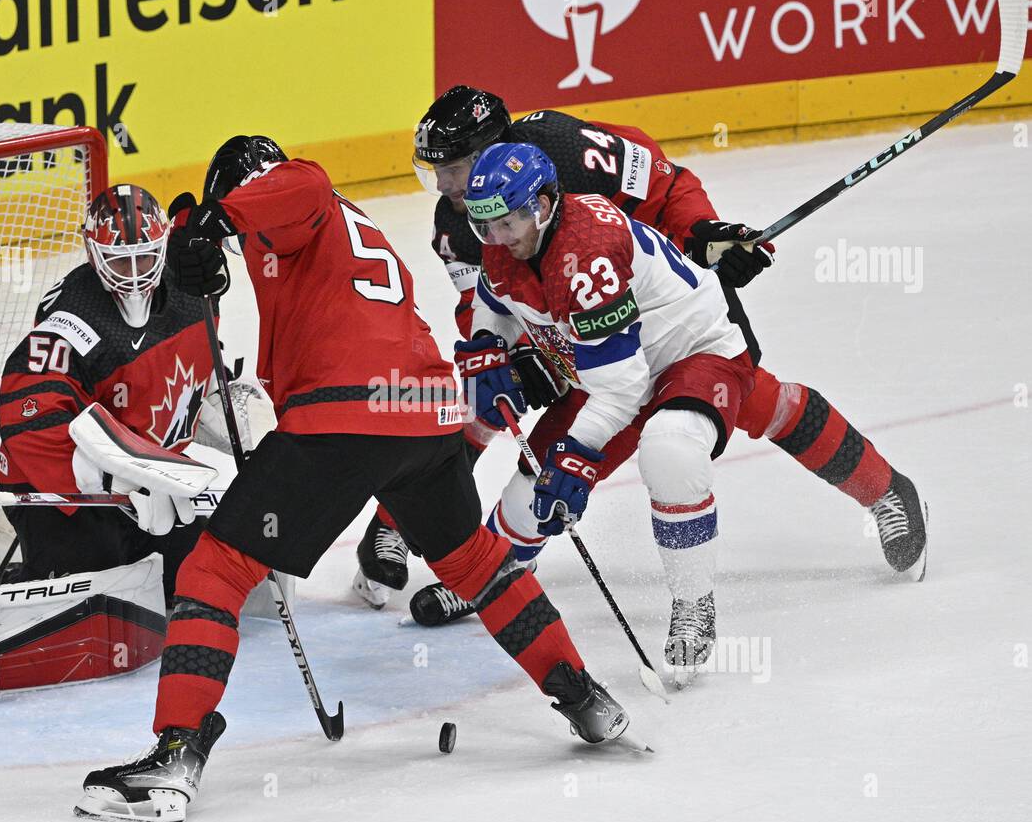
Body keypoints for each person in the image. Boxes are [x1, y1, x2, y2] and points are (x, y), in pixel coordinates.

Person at [73, 137, 630, 822]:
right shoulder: (333, 230)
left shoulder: (298, 191)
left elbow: (299, 185)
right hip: (422, 412)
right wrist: (206, 237)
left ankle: (174, 757)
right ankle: (581, 694)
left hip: (347, 414)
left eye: (237, 206)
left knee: (214, 569)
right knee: (476, 562)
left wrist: (219, 219)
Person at [354, 85, 928, 622]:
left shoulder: (560, 145)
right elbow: (482, 304)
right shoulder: (462, 224)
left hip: (671, 307)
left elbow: (665, 184)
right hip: (583, 329)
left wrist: (704, 232)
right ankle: (435, 542)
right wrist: (509, 352)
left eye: (453, 169)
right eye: (436, 173)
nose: (446, 188)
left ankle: (885, 490)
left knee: (747, 403)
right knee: (493, 406)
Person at [0, 185, 252, 706]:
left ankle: (29, 575)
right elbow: (30, 421)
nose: (136, 269)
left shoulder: (193, 285)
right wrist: (119, 476)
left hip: (152, 487)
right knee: (99, 610)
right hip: (65, 494)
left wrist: (220, 404)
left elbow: (193, 372)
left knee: (188, 584)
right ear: (92, 252)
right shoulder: (72, 318)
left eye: (146, 255)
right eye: (121, 258)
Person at [460, 141, 752, 672]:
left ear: (543, 206)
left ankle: (693, 602)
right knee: (530, 493)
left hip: (691, 354)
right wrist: (487, 342)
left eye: (506, 225)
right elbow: (494, 297)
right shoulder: (509, 232)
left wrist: (578, 454)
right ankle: (488, 578)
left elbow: (623, 388)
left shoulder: (586, 253)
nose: (497, 240)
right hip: (610, 369)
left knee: (671, 454)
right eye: (487, 228)